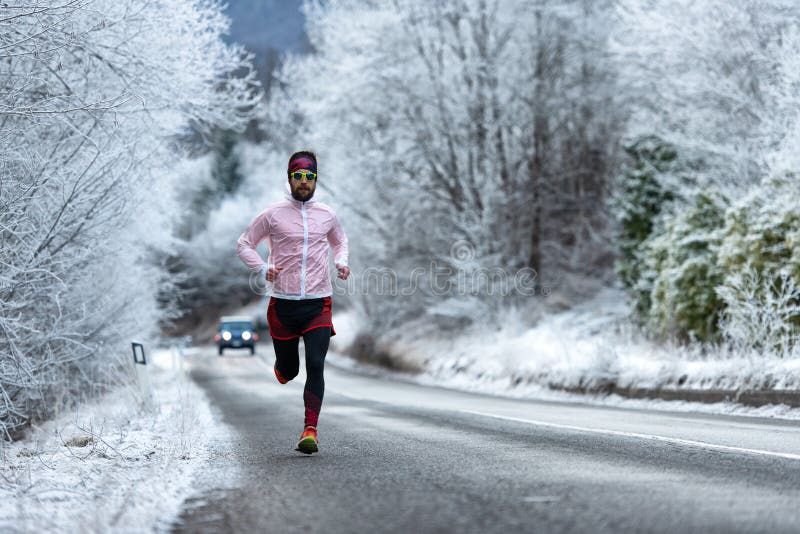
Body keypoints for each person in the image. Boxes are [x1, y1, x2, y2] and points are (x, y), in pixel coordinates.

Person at [236, 151, 350, 454]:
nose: (304, 182)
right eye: (298, 176)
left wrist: (341, 261)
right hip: (283, 305)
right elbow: (244, 244)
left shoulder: (327, 214)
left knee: (316, 363)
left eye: (310, 176)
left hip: (318, 303)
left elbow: (340, 241)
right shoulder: (272, 214)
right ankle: (283, 367)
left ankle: (310, 430)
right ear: (290, 178)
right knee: (290, 371)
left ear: (315, 180)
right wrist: (262, 268)